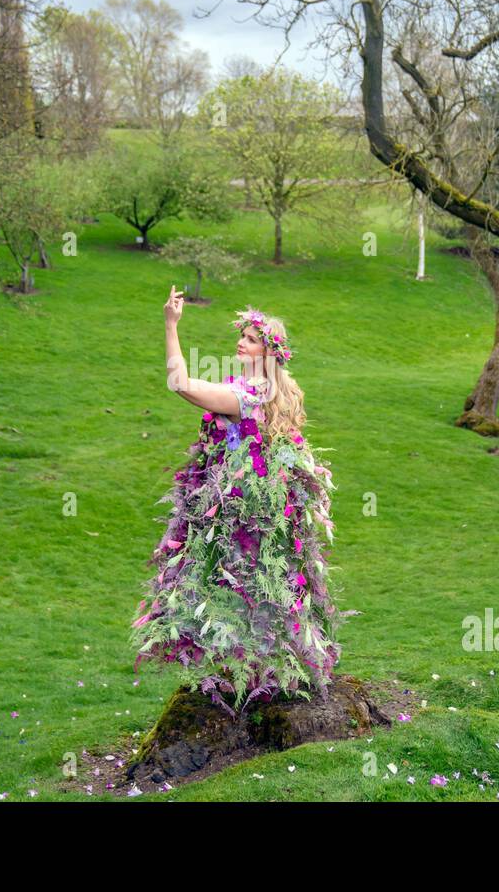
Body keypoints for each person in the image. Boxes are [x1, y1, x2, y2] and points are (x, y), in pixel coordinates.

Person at [130, 285, 346, 715]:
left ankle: (247, 677)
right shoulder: (267, 390)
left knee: (235, 584)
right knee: (259, 585)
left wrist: (171, 325)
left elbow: (180, 384)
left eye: (248, 338)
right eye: (241, 336)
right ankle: (260, 673)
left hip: (240, 508)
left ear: (267, 351)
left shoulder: (247, 396)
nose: (239, 342)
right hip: (261, 507)